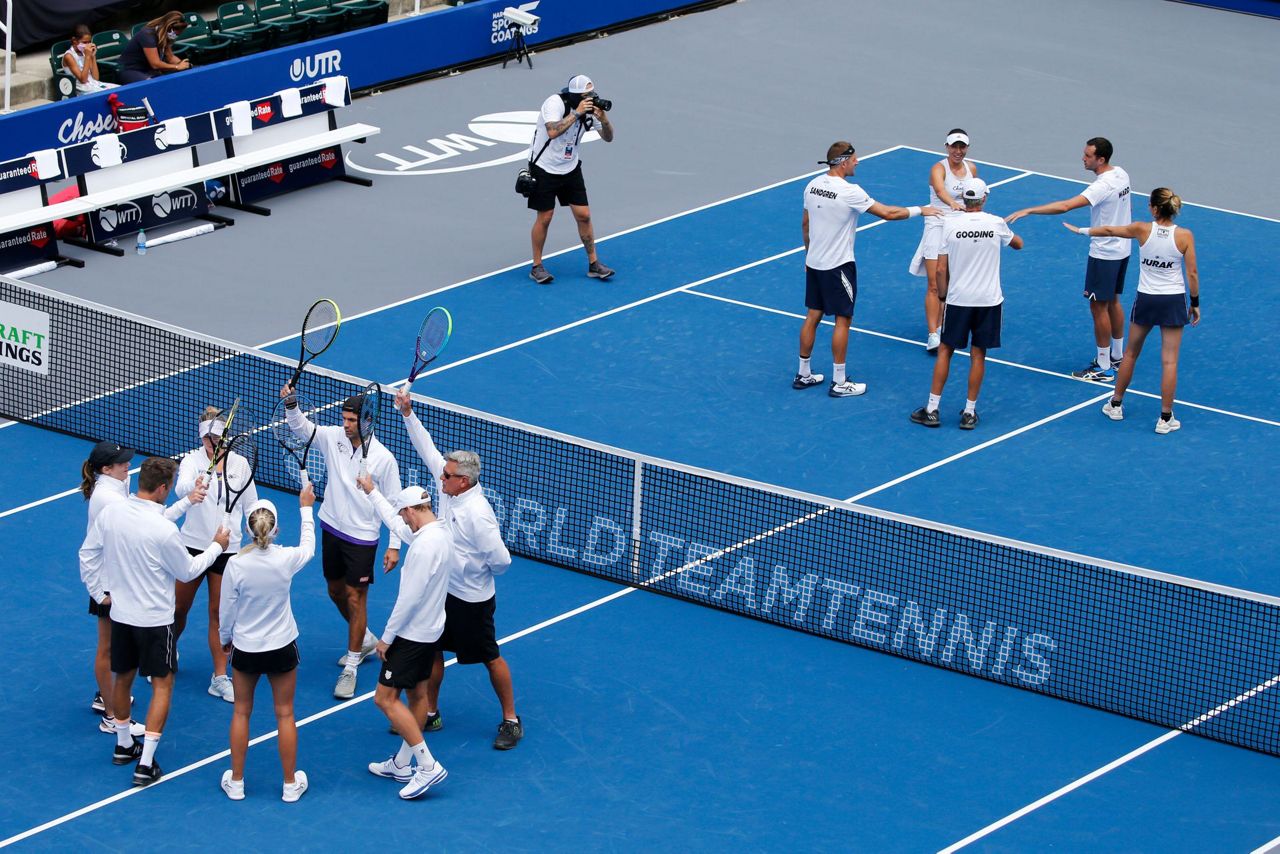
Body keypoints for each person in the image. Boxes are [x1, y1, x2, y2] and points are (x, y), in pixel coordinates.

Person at [79, 457, 229, 786]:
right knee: (163, 685)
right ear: (162, 489)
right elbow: (189, 571)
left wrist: (99, 593)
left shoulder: (112, 513)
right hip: (156, 623)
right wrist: (217, 547)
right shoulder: (164, 531)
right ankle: (146, 763)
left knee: (122, 680)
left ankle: (123, 745)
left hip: (120, 616)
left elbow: (87, 554)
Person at [393, 388, 521, 749]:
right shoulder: (450, 487)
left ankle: (511, 720)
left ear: (463, 482)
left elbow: (502, 561)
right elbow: (427, 448)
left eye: (447, 476)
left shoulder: (479, 515)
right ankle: (430, 713)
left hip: (472, 600)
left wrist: (470, 570)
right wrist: (408, 413)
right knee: (433, 650)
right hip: (443, 592)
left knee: (489, 657)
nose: (441, 479)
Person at [280, 384, 401, 700]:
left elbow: (396, 505)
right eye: (344, 419)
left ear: (367, 421)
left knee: (355, 597)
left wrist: (394, 545)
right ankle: (364, 639)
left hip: (362, 538)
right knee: (335, 591)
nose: (345, 425)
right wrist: (292, 405)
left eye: (351, 420)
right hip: (331, 527)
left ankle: (351, 667)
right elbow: (302, 429)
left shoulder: (384, 459)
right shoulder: (333, 437)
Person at [79, 440, 205, 735]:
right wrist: (100, 593)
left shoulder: (116, 487)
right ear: (106, 469)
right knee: (107, 649)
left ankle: (106, 698)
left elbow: (148, 517)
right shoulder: (108, 499)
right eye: (121, 463)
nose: (127, 466)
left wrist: (188, 501)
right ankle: (111, 715)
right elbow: (149, 521)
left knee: (112, 650)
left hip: (116, 576)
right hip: (110, 582)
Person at [796, 141, 940, 397]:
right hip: (838, 266)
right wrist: (922, 210)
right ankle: (839, 382)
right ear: (843, 162)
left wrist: (808, 256)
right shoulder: (850, 192)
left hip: (816, 263)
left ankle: (803, 373)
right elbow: (888, 213)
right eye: (854, 159)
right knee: (843, 320)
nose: (857, 162)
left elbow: (806, 224)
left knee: (813, 315)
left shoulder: (812, 185)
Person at [1064, 188, 1200, 433]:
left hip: (1147, 300)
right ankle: (1165, 418)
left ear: (1155, 209)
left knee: (1130, 354)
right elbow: (1192, 273)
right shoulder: (1185, 236)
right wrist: (1195, 303)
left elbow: (1108, 230)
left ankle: (1115, 404)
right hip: (1173, 302)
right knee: (1169, 361)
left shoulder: (1141, 229)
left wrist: (1082, 231)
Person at [356, 481, 453, 800]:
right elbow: (395, 522)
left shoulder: (424, 547)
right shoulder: (438, 533)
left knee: (384, 699)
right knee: (417, 694)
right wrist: (372, 491)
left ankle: (427, 766)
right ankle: (401, 763)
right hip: (431, 632)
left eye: (405, 514)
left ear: (413, 510)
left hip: (411, 636)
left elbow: (409, 599)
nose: (404, 520)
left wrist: (385, 638)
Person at [219, 486, 316, 803]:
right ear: (275, 530)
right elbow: (309, 547)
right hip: (281, 647)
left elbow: (227, 610)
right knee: (285, 714)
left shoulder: (235, 564)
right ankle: (290, 785)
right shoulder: (286, 558)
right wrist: (305, 508)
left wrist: (225, 640)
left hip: (246, 649)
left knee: (241, 713)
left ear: (248, 530)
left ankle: (236, 782)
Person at [1007, 137, 1132, 381]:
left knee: (1098, 307)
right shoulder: (1122, 174)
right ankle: (1117, 356)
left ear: (1101, 159)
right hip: (1122, 249)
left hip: (1104, 253)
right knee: (1113, 301)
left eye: (1088, 156)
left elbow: (1065, 206)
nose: (1083, 158)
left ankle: (1104, 367)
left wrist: (1029, 210)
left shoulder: (1101, 186)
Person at [910, 178, 1023, 429]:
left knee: (945, 351)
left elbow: (940, 268)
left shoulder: (949, 225)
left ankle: (932, 409)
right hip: (989, 301)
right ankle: (969, 413)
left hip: (958, 300)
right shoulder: (996, 223)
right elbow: (1018, 244)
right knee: (978, 355)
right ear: (983, 199)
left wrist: (943, 297)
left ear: (964, 200)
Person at [174, 406, 259, 703]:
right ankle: (167, 649)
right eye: (208, 439)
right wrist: (193, 486)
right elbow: (181, 488)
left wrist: (256, 529)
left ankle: (220, 677)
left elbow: (251, 503)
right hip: (193, 545)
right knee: (178, 609)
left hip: (228, 548)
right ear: (202, 438)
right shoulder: (191, 461)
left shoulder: (240, 463)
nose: (213, 444)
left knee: (218, 614)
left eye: (217, 438)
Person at [526, 74, 616, 285]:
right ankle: (536, 267)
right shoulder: (554, 103)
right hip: (544, 168)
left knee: (584, 215)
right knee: (545, 218)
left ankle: (594, 264)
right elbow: (552, 131)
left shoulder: (589, 110)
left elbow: (609, 138)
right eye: (586, 95)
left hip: (570, 167)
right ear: (575, 96)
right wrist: (577, 114)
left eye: (592, 94)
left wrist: (603, 119)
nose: (591, 98)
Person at [909, 130, 977, 353]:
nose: (958, 151)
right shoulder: (938, 169)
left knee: (954, 280)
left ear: (966, 148)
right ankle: (933, 334)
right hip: (937, 224)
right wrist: (953, 203)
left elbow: (976, 196)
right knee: (934, 282)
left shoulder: (972, 168)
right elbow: (939, 190)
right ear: (947, 147)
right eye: (954, 147)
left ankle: (947, 326)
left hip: (960, 226)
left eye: (962, 147)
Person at [119, 11, 191, 84]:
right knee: (153, 86)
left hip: (149, 70)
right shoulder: (147, 35)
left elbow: (170, 57)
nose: (176, 36)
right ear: (169, 28)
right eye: (176, 33)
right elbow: (155, 64)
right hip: (131, 70)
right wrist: (177, 67)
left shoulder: (164, 35)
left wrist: (184, 66)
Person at [62, 25, 118, 94]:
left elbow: (96, 78)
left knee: (119, 89)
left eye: (89, 42)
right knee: (108, 94)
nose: (87, 45)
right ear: (74, 40)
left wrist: (93, 56)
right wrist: (88, 57)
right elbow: (83, 80)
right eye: (84, 42)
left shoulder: (86, 53)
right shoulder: (69, 56)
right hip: (82, 89)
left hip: (94, 85)